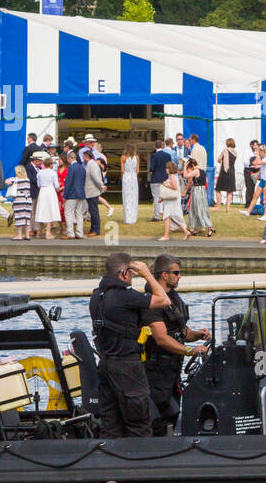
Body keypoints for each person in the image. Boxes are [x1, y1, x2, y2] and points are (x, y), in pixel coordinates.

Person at [90, 252, 171, 437]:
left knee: (111, 423)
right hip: (127, 366)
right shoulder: (124, 295)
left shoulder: (97, 296)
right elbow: (164, 299)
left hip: (105, 364)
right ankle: (140, 461)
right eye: (133, 274)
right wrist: (147, 274)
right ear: (125, 273)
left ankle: (111, 461)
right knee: (139, 422)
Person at [141, 254, 210, 435]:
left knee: (172, 412)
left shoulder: (173, 298)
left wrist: (198, 335)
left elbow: (181, 331)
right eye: (176, 273)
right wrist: (190, 351)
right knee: (158, 415)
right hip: (156, 370)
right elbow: (161, 338)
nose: (180, 276)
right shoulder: (152, 302)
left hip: (173, 369)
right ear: (164, 275)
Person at [63, 153, 88, 238]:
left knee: (68, 212)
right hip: (81, 193)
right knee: (79, 213)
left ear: (69, 158)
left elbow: (68, 182)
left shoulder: (71, 167)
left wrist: (65, 195)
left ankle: (70, 233)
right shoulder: (82, 167)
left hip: (72, 194)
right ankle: (80, 233)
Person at [6, 164, 32, 240]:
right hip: (27, 199)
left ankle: (19, 235)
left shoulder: (15, 179)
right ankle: (27, 235)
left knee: (19, 216)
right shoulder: (27, 179)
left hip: (19, 199)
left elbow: (7, 181)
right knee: (27, 217)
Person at [84, 148, 105, 237]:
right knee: (92, 211)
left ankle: (96, 230)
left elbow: (96, 178)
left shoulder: (91, 165)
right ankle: (93, 229)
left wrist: (101, 186)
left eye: (83, 157)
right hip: (90, 191)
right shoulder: (91, 164)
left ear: (86, 157)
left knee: (94, 211)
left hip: (92, 191)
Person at [148, 140, 170, 221]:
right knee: (165, 198)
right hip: (165, 179)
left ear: (155, 146)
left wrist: (150, 170)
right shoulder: (167, 156)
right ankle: (166, 216)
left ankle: (156, 216)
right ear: (162, 146)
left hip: (156, 179)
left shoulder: (154, 155)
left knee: (156, 198)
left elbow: (152, 168)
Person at [118, 143, 139, 224]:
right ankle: (133, 217)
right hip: (133, 177)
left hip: (126, 177)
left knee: (126, 197)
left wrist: (123, 177)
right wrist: (133, 175)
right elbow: (137, 171)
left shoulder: (123, 157)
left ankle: (127, 218)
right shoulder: (136, 157)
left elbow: (122, 170)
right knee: (134, 197)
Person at [215, 138, 237, 211]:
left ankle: (218, 207)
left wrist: (222, 156)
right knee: (230, 191)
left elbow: (218, 160)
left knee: (218, 189)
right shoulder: (235, 152)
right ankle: (228, 208)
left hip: (224, 171)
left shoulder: (225, 150)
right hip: (231, 171)